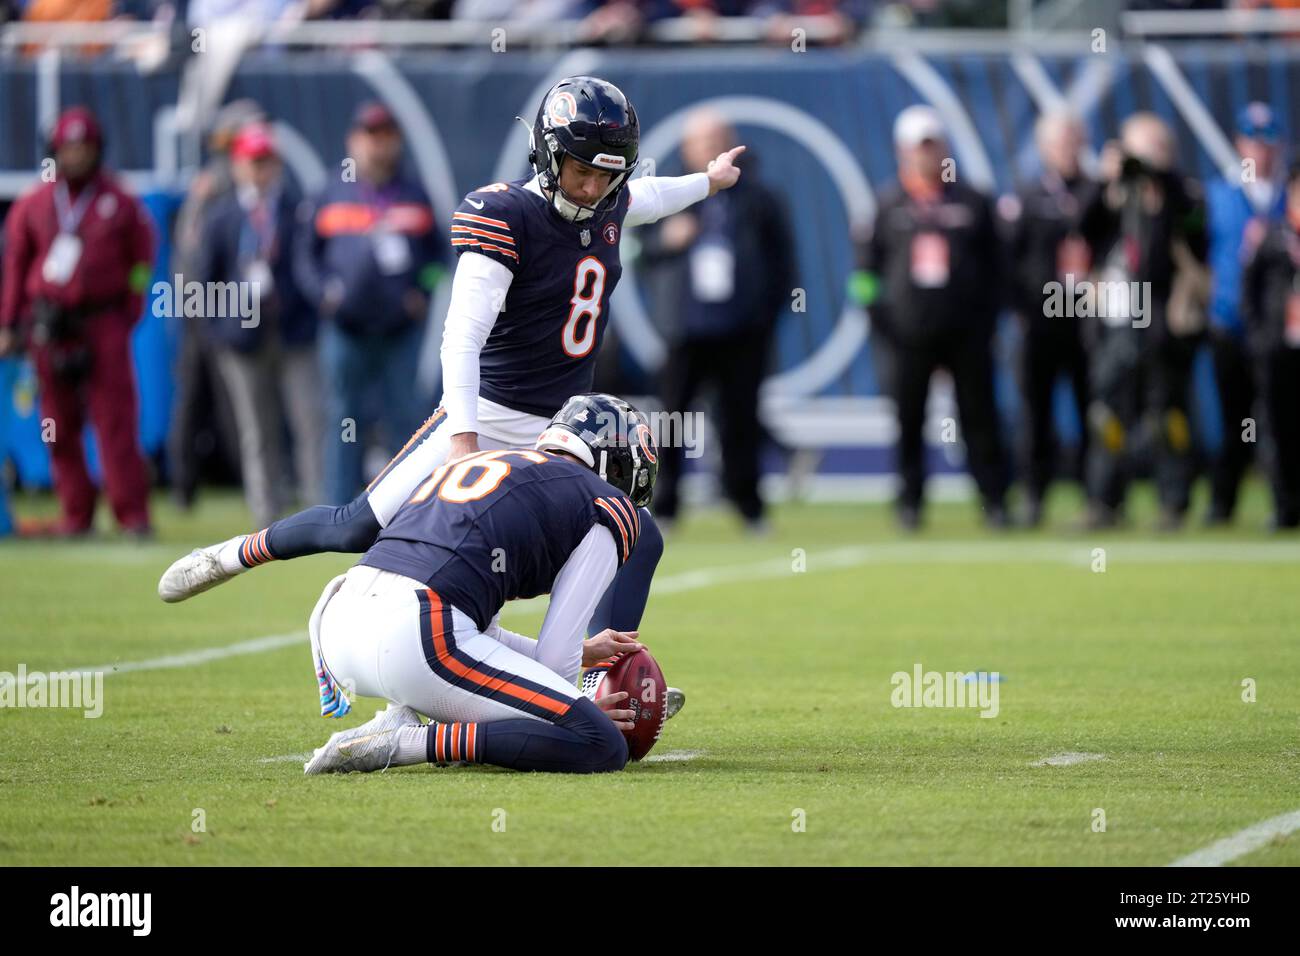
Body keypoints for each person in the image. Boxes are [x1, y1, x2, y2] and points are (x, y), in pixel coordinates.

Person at [159, 75, 742, 661]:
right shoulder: (507, 214)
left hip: (563, 432)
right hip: (487, 413)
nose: (592, 187)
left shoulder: (610, 201)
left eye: (605, 175)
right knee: (356, 527)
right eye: (580, 171)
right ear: (546, 154)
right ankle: (236, 553)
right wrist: (464, 439)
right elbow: (460, 340)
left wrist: (707, 182)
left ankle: (602, 675)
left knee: (635, 538)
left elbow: (651, 198)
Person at [304, 394, 657, 775]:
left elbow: (475, 639)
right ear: (616, 468)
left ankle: (426, 719)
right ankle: (406, 741)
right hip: (416, 640)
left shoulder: (489, 463)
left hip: (341, 626)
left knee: (477, 668)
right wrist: (573, 710)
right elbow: (555, 661)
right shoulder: (605, 503)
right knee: (600, 744)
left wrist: (583, 654)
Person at [0, 106, 155, 537]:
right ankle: (76, 514)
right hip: (49, 327)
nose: (76, 156)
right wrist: (9, 323)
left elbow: (142, 260)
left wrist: (131, 307)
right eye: (68, 148)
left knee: (115, 423)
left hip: (103, 322)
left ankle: (132, 515)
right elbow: (17, 265)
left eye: (84, 148)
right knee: (57, 425)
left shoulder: (120, 202)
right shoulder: (34, 204)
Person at [856, 105, 1010, 531]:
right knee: (908, 420)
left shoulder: (973, 201)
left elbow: (999, 268)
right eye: (919, 147)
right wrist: (882, 321)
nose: (928, 155)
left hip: (966, 333)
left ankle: (994, 499)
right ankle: (910, 503)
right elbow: (864, 275)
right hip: (907, 334)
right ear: (903, 151)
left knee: (979, 417)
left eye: (934, 145)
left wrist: (986, 321)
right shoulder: (887, 205)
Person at [642, 108, 794, 531]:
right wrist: (665, 241)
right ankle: (666, 505)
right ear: (688, 149)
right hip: (685, 327)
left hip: (741, 328)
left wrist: (765, 315)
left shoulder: (758, 197)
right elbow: (634, 247)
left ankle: (747, 503)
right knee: (672, 419)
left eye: (716, 141)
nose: (709, 150)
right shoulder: (667, 195)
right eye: (701, 143)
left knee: (741, 417)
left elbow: (783, 262)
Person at [295, 101, 443, 506]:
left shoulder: (414, 193)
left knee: (406, 421)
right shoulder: (331, 190)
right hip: (347, 329)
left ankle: (407, 506)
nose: (378, 147)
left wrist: (422, 295)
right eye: (370, 137)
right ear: (353, 141)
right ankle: (338, 507)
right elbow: (305, 257)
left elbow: (438, 260)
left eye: (386, 137)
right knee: (344, 419)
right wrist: (323, 293)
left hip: (399, 331)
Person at [1080, 113, 1208, 530]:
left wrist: (1163, 182)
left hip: (1162, 317)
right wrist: (1107, 181)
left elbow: (1195, 233)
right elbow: (1081, 228)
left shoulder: (1182, 194)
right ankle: (1105, 500)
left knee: (1164, 412)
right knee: (1107, 411)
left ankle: (1174, 501)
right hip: (1116, 317)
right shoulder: (1115, 195)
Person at [197, 122, 322, 527]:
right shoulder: (223, 216)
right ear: (237, 165)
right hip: (242, 337)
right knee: (256, 430)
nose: (260, 170)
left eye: (266, 161)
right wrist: (219, 331)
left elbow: (309, 266)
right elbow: (203, 279)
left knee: (309, 423)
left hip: (292, 333)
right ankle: (266, 515)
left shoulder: (296, 208)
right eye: (253, 161)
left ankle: (316, 511)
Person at [1000, 111, 1096, 526]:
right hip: (1041, 320)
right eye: (1057, 141)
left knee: (1095, 410)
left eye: (1072, 139)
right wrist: (1020, 311)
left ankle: (1100, 496)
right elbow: (1008, 261)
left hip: (1089, 319)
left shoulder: (1100, 191)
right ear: (1043, 148)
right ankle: (1034, 495)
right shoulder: (1027, 197)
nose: (1065, 149)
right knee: (1035, 413)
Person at [167, 99, 262, 511]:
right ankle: (236, 483)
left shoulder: (211, 180)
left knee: (198, 395)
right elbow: (199, 252)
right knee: (224, 396)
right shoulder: (224, 184)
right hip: (216, 302)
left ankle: (188, 484)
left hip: (201, 299)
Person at [1204, 102, 1287, 525]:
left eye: (1268, 142)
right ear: (1240, 144)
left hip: (1277, 328)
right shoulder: (1217, 194)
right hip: (1229, 320)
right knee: (1232, 419)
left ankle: (1284, 504)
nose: (1261, 151)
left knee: (1277, 419)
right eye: (1254, 142)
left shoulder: (1288, 198)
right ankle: (1223, 503)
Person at [1238, 162, 1300, 531]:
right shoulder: (1272, 236)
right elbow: (1250, 289)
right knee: (1278, 428)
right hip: (1279, 349)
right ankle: (1285, 506)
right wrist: (1260, 337)